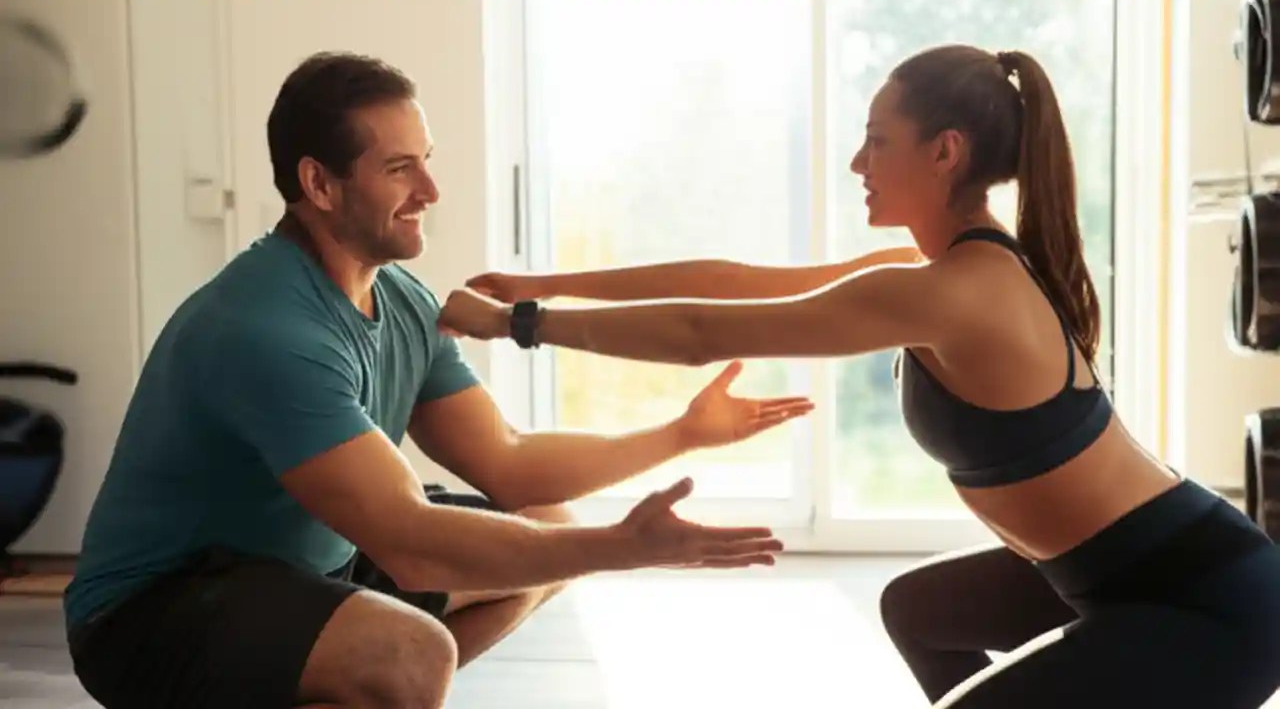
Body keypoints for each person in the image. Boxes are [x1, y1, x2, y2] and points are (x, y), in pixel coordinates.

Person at [440, 44, 1280, 708]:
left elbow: (703, 331)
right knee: (917, 611)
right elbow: (738, 281)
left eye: (877, 140)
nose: (857, 162)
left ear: (945, 151)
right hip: (1106, 575)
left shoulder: (956, 294)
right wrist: (542, 285)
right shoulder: (932, 273)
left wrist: (521, 329)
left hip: (1202, 599)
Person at [62, 51, 808, 709]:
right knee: (408, 651)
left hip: (301, 570)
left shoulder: (403, 300)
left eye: (427, 159)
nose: (431, 189)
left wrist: (682, 434)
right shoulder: (266, 329)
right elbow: (413, 543)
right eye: (399, 169)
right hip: (153, 611)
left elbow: (509, 462)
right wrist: (626, 547)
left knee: (544, 530)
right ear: (320, 185)